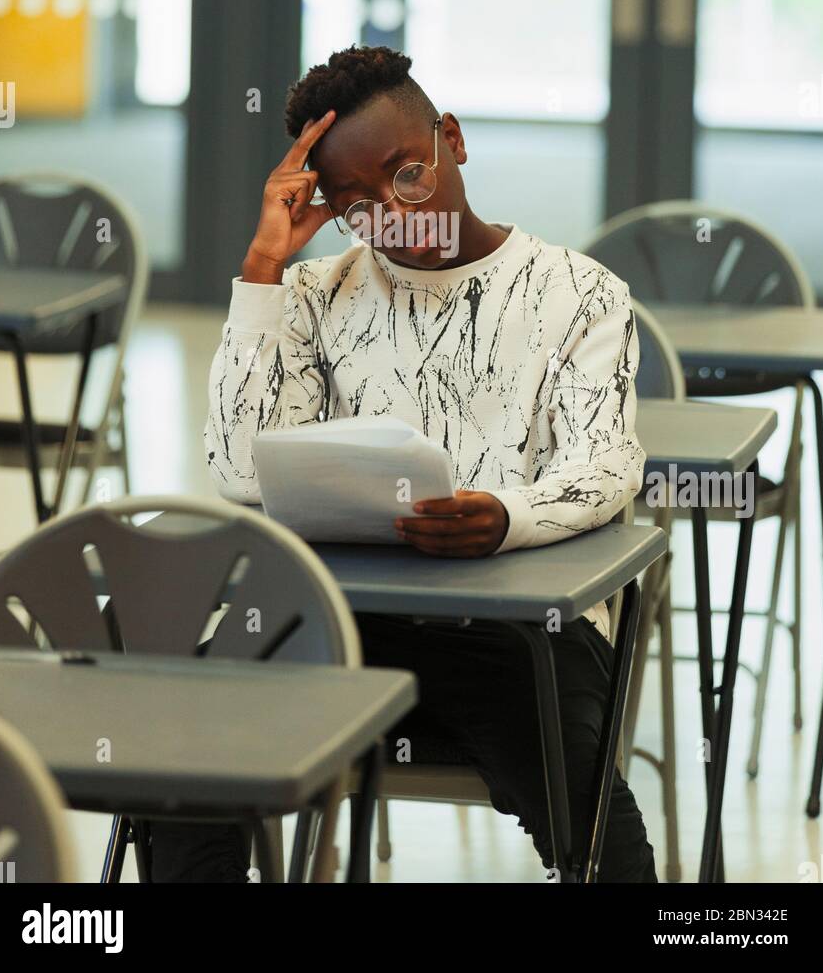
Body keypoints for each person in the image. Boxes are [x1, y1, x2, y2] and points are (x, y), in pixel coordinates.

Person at [151, 44, 657, 883]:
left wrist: (505, 517)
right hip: (337, 624)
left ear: (452, 141)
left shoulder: (579, 293)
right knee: (180, 755)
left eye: (408, 175)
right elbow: (241, 473)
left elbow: (605, 464)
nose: (396, 213)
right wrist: (264, 268)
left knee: (596, 822)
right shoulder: (314, 296)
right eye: (358, 205)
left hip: (517, 639)